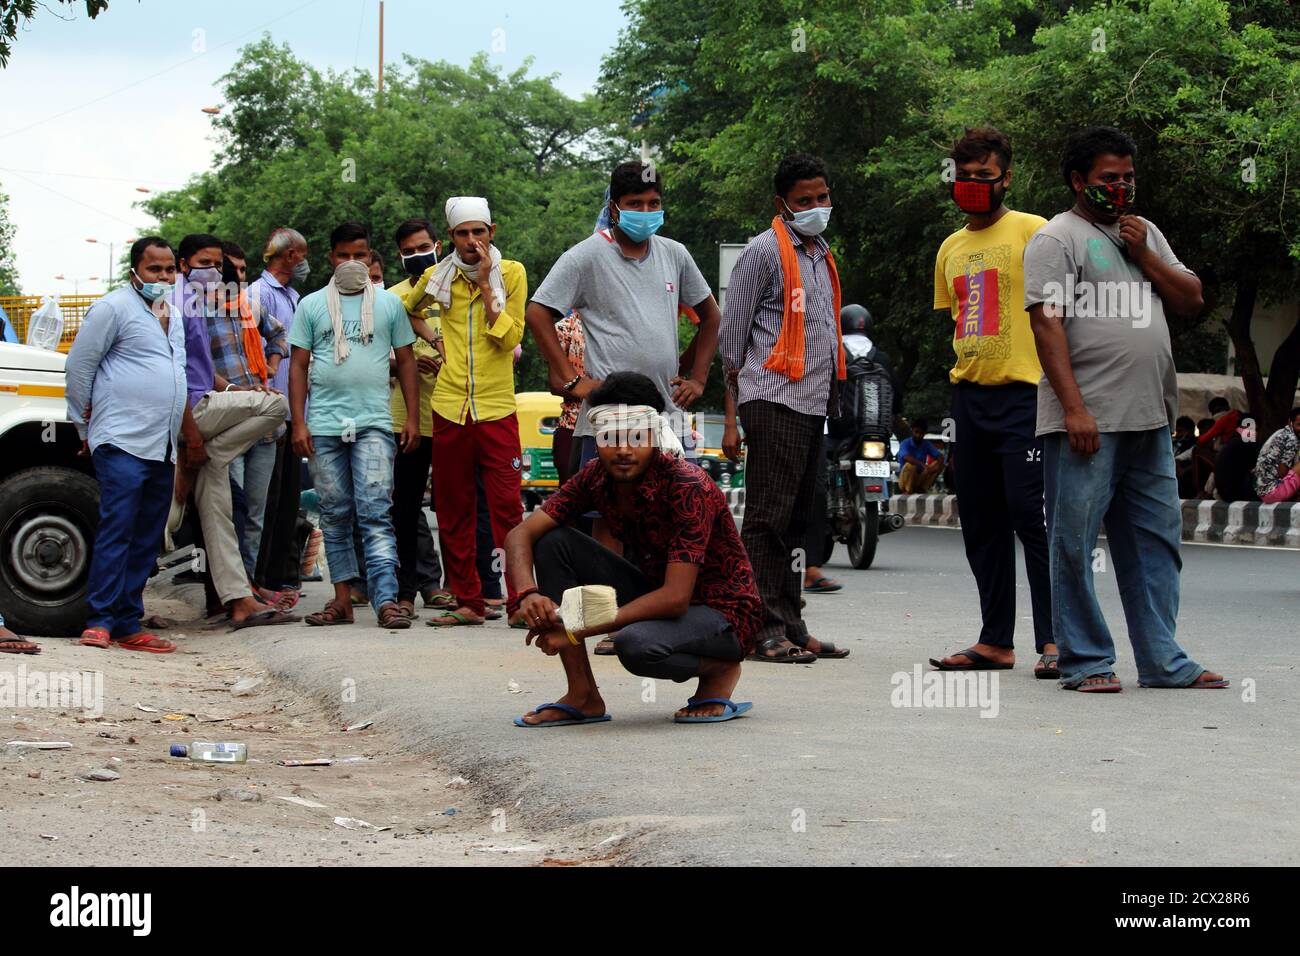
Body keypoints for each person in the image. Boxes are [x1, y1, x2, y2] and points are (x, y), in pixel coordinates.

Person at [1025, 125, 1226, 692]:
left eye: (1127, 178)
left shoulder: (1146, 233)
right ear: (1077, 181)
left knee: (1157, 544)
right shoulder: (1056, 239)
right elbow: (1047, 324)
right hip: (1088, 421)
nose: (1120, 187)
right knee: (1074, 544)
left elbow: (1190, 298)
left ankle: (1164, 660)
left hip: (1151, 420)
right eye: (1108, 179)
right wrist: (1074, 409)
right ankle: (1085, 660)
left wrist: (1144, 254)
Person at [504, 372, 763, 725]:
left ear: (655, 436)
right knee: (553, 541)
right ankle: (583, 695)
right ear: (597, 439)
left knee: (634, 645)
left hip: (723, 613)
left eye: (636, 437)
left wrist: (572, 627)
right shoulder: (595, 475)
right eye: (611, 438)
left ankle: (720, 668)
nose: (624, 449)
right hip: (658, 591)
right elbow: (520, 533)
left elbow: (675, 598)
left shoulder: (688, 486)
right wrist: (527, 593)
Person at [926, 127, 1058, 674]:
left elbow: (1060, 315)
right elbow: (957, 324)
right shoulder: (949, 249)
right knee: (980, 522)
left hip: (1028, 396)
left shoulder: (1036, 231)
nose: (974, 185)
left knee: (1032, 517)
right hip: (970, 399)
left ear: (1007, 178)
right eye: (965, 175)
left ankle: (1056, 640)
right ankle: (995, 641)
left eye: (985, 176)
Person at [719, 153, 850, 664]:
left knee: (799, 520)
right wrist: (736, 406)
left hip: (812, 401)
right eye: (804, 201)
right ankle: (760, 628)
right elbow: (733, 336)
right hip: (771, 396)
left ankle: (792, 622)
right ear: (782, 204)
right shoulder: (763, 251)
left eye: (822, 198)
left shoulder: (820, 255)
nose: (816, 207)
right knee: (768, 518)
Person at [527, 161, 721, 473]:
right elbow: (537, 313)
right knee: (608, 516)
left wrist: (697, 378)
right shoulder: (585, 256)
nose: (645, 211)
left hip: (668, 416)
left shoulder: (675, 254)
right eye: (635, 204)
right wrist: (573, 380)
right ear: (614, 210)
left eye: (653, 203)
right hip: (610, 417)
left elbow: (712, 317)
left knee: (677, 511)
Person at [400, 197, 527, 627]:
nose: (472, 242)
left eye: (479, 232)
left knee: (508, 508)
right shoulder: (440, 275)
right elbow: (407, 308)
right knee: (452, 508)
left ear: (493, 232)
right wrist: (435, 343)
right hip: (450, 406)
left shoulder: (511, 273)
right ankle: (469, 602)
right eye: (462, 234)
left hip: (496, 407)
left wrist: (490, 285)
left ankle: (520, 601)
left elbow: (508, 339)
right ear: (450, 238)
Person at [288, 221, 419, 630]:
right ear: (331, 258)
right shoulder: (310, 305)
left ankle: (386, 600)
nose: (351, 262)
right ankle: (342, 599)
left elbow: (408, 360)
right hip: (325, 426)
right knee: (335, 513)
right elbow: (298, 365)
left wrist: (412, 416)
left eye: (359, 255)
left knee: (376, 511)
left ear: (369, 256)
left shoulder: (388, 305)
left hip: (375, 424)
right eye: (343, 255)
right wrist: (299, 423)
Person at [66, 237, 186, 653]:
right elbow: (80, 367)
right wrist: (83, 428)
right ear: (135, 271)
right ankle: (99, 619)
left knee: (146, 534)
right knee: (118, 526)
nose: (164, 278)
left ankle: (127, 621)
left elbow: (178, 369)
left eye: (170, 270)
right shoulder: (113, 308)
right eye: (155, 270)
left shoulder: (175, 313)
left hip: (162, 444)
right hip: (121, 438)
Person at [170, 233, 294, 630]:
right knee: (276, 403)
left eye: (219, 265)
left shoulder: (222, 305)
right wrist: (192, 437)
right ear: (184, 265)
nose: (216, 272)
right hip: (191, 413)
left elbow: (276, 338)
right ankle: (117, 611)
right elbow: (177, 377)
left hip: (204, 420)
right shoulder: (176, 304)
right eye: (206, 263)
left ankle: (240, 601)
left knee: (222, 512)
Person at [212, 239, 288, 585]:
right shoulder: (200, 311)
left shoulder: (249, 307)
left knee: (256, 513)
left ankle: (251, 587)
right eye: (233, 269)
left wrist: (271, 367)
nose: (238, 276)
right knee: (233, 511)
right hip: (229, 422)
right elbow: (195, 366)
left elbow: (278, 335)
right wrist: (233, 389)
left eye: (243, 270)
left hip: (263, 424)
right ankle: (233, 589)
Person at [388, 217, 450, 616]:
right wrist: (402, 365)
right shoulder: (391, 299)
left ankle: (454, 589)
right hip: (405, 417)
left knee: (453, 507)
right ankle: (405, 591)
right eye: (408, 251)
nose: (416, 255)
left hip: (453, 413)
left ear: (438, 246)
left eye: (422, 247)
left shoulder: (456, 292)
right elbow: (375, 352)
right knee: (405, 507)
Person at [247, 227, 311, 608]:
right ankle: (260, 579)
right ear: (289, 256)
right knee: (265, 502)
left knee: (287, 500)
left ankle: (279, 577)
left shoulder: (293, 297)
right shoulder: (259, 295)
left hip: (290, 414)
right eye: (302, 255)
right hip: (267, 413)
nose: (304, 262)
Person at [552, 310, 586, 485]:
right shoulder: (566, 328)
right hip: (572, 425)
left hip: (617, 424)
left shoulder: (625, 324)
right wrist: (589, 389)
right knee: (570, 498)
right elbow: (556, 383)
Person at [1255, 408, 1300, 503]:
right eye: (1299, 425)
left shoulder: (1279, 433)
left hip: (1262, 491)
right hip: (1274, 492)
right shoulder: (1293, 440)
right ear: (1290, 423)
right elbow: (1282, 472)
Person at [896, 418, 944, 494]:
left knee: (938, 464)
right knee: (911, 466)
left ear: (924, 433)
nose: (918, 435)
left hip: (920, 477)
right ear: (912, 431)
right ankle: (908, 490)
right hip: (905, 481)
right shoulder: (905, 443)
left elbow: (940, 456)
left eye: (921, 433)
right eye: (916, 432)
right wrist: (923, 465)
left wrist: (937, 468)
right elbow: (906, 457)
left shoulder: (926, 444)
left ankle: (922, 488)